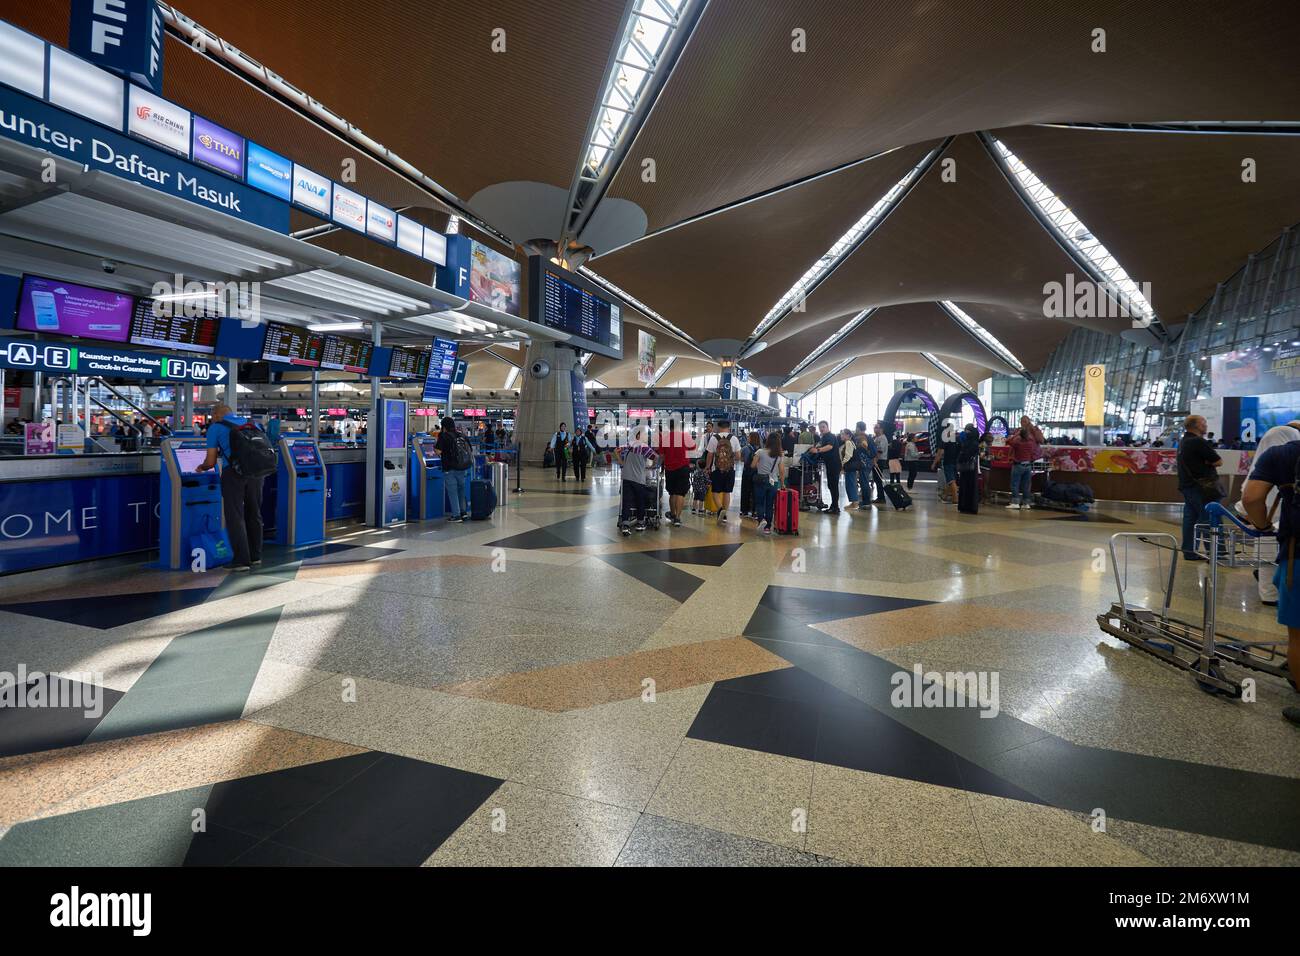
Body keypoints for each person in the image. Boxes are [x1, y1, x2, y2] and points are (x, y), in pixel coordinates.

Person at [1239, 438, 1300, 726]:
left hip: (1298, 552)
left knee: (1299, 636)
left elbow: (1251, 498)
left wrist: (1262, 526)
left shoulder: (1284, 454)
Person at [196, 403, 268, 571]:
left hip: (234, 474)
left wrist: (202, 467)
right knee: (254, 512)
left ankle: (241, 560)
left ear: (215, 415)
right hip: (257, 473)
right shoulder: (253, 424)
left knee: (235, 515)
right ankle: (255, 555)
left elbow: (211, 461)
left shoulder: (216, 428)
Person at [1236, 420, 1300, 605]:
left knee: (1267, 544)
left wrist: (1262, 524)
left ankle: (1271, 594)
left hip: (1292, 539)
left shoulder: (1279, 450)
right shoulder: (1282, 436)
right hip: (1277, 508)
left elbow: (1252, 497)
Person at [1176, 414, 1222, 560]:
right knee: (1209, 518)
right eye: (1204, 423)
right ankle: (1216, 553)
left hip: (1188, 485)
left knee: (1190, 519)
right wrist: (1208, 462)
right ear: (1196, 426)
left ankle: (1189, 551)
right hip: (1203, 487)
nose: (1206, 425)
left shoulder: (1184, 441)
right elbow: (1218, 461)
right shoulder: (1197, 441)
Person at [618, 428, 657, 535]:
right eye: (645, 434)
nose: (646, 436)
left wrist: (622, 463)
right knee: (640, 501)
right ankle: (640, 522)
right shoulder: (644, 447)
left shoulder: (628, 445)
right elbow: (655, 457)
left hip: (626, 477)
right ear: (638, 436)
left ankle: (625, 524)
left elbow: (616, 451)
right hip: (638, 478)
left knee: (626, 501)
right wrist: (653, 466)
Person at [705, 419, 742, 527]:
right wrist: (730, 459)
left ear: (718, 427)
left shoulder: (714, 438)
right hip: (729, 469)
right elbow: (739, 456)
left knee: (715, 492)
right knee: (727, 492)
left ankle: (720, 509)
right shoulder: (734, 438)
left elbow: (710, 455)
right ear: (729, 427)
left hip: (716, 469)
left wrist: (707, 467)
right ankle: (724, 515)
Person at [657, 417, 692, 526]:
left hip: (670, 469)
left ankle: (672, 514)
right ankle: (677, 518)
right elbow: (693, 448)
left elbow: (661, 455)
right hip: (683, 468)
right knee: (680, 493)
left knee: (672, 493)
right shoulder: (685, 436)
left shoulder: (665, 438)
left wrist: (657, 466)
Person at [436, 415, 471, 521]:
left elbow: (438, 451)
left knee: (453, 492)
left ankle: (456, 515)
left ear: (444, 426)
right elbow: (469, 449)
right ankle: (463, 512)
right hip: (462, 467)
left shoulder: (444, 436)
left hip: (450, 468)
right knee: (461, 490)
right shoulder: (461, 435)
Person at [1006, 415, 1045, 510]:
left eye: (1025, 422)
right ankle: (1026, 503)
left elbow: (1009, 441)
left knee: (1015, 484)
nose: (1023, 423)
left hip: (1018, 463)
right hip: (1028, 463)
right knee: (1026, 484)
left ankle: (1015, 502)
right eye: (1022, 421)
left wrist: (1017, 434)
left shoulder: (1018, 441)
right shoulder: (1031, 442)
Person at [753, 431, 787, 534]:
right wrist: (782, 483)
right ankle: (768, 527)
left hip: (761, 480)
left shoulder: (760, 452)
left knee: (760, 502)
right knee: (769, 504)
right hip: (773, 482)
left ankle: (761, 520)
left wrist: (760, 464)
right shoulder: (779, 454)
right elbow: (781, 470)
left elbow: (753, 465)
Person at [810, 421, 842, 515]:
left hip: (834, 464)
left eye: (823, 427)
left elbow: (830, 447)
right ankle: (833, 506)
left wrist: (818, 450)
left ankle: (835, 507)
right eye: (820, 427)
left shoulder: (830, 436)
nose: (821, 429)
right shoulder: (824, 437)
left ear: (827, 427)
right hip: (829, 464)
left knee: (833, 486)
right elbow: (822, 445)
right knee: (831, 485)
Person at [956, 423, 982, 515]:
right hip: (972, 467)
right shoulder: (975, 442)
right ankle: (970, 506)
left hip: (966, 466)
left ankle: (965, 506)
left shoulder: (969, 443)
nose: (966, 432)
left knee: (965, 486)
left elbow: (965, 453)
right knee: (971, 486)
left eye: (968, 431)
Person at [739, 431, 761, 518]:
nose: (748, 438)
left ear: (751, 438)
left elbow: (741, 459)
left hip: (747, 472)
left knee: (745, 491)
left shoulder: (745, 448)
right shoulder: (761, 449)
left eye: (749, 437)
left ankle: (744, 511)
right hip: (757, 473)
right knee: (755, 492)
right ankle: (754, 511)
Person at [839, 428, 862, 508]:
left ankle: (855, 503)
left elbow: (848, 455)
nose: (841, 435)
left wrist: (842, 464)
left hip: (850, 466)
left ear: (848, 435)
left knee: (850, 484)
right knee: (851, 483)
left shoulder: (848, 442)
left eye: (843, 434)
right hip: (851, 466)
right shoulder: (851, 442)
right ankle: (853, 502)